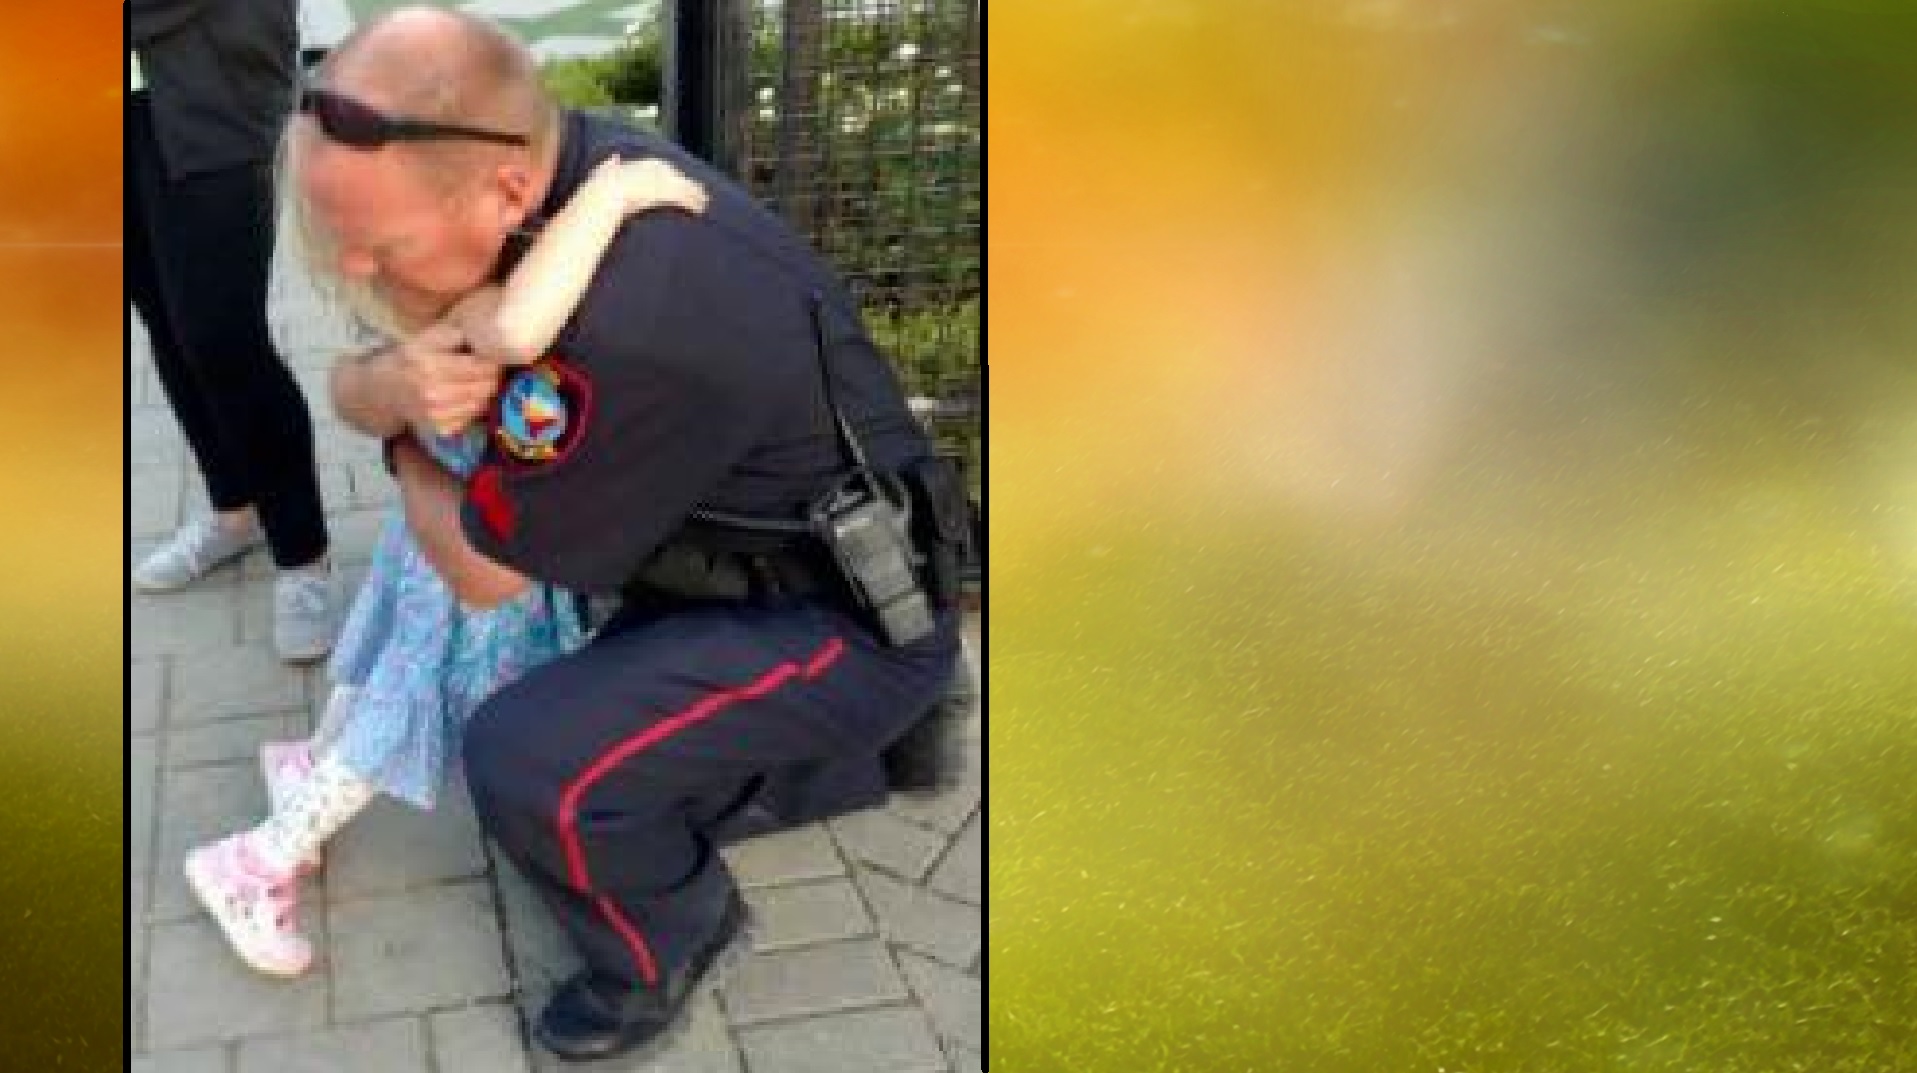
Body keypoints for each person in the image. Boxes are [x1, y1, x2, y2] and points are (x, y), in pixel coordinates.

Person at [298, 8, 971, 1061]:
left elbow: (482, 571)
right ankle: (858, 751)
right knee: (578, 692)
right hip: (787, 554)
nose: (347, 265)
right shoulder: (573, 176)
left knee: (526, 758)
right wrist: (379, 385)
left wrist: (398, 435)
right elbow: (406, 380)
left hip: (842, 616)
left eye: (375, 244)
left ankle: (666, 941)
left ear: (508, 190)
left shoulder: (627, 319)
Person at [182, 156, 714, 978]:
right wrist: (610, 196)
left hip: (443, 527)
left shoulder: (421, 284)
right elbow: (517, 330)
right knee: (406, 701)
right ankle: (256, 860)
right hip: (475, 548)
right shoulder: (474, 304)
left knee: (388, 664)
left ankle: (304, 762)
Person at [129, 0, 339, 661]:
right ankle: (235, 511)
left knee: (223, 335)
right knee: (165, 318)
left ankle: (306, 560)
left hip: (216, 97)